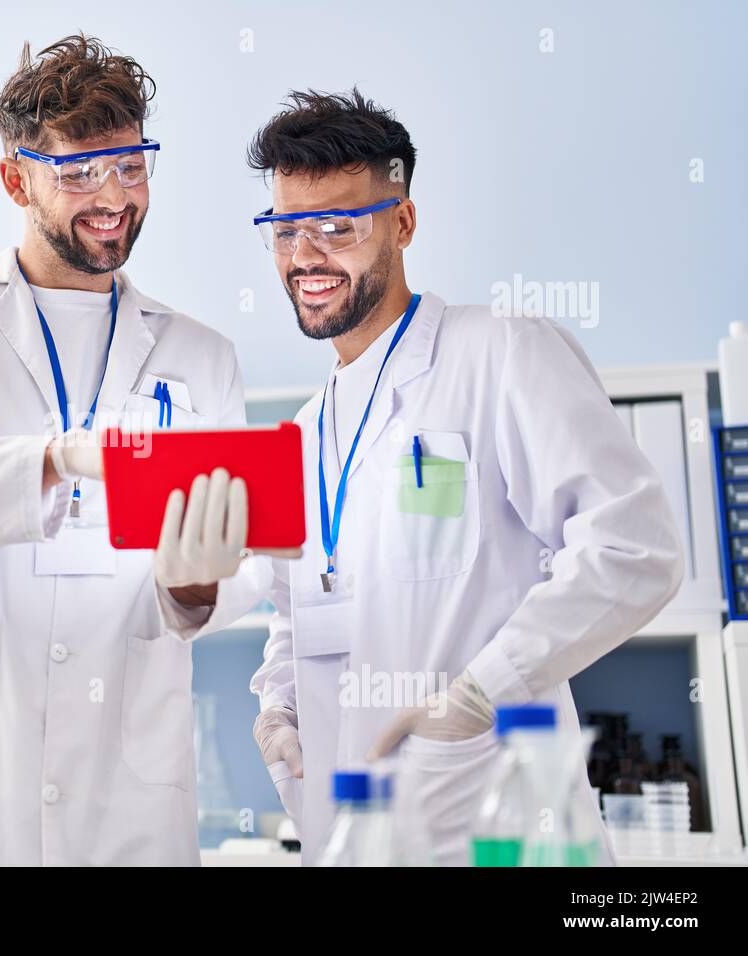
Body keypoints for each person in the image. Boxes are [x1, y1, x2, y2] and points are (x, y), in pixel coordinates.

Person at [152, 89, 683, 864]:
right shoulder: (301, 435)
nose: (306, 256)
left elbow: (635, 549)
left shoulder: (500, 354)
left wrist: (484, 689)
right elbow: (304, 611)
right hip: (350, 836)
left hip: (493, 830)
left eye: (338, 227)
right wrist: (279, 708)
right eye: (285, 229)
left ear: (401, 222)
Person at [0, 35, 246, 866]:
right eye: (79, 174)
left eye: (132, 167)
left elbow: (239, 583)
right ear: (15, 179)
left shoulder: (202, 357)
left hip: (126, 786)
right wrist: (54, 460)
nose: (114, 197)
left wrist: (197, 587)